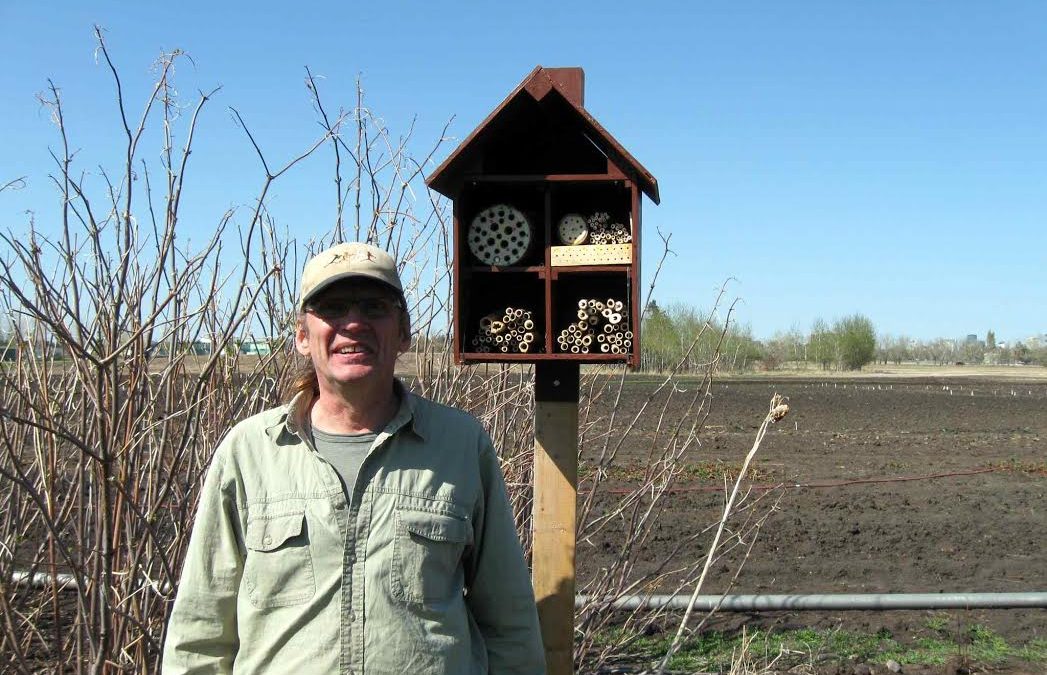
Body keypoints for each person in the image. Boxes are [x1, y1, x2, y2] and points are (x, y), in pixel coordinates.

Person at [163, 242, 546, 674]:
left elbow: (509, 623)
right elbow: (200, 632)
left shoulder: (460, 445)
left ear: (403, 333)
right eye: (332, 308)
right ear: (302, 336)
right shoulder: (249, 452)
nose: (354, 323)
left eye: (374, 307)